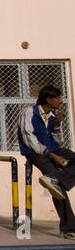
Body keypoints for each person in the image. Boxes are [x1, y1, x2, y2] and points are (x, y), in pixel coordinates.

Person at [19, 85, 75, 239]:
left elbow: (59, 141)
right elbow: (28, 138)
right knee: (58, 189)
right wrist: (51, 155)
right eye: (57, 98)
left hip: (52, 150)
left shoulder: (53, 115)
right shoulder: (29, 112)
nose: (61, 101)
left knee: (57, 183)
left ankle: (57, 180)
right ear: (48, 100)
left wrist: (57, 125)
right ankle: (69, 228)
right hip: (35, 153)